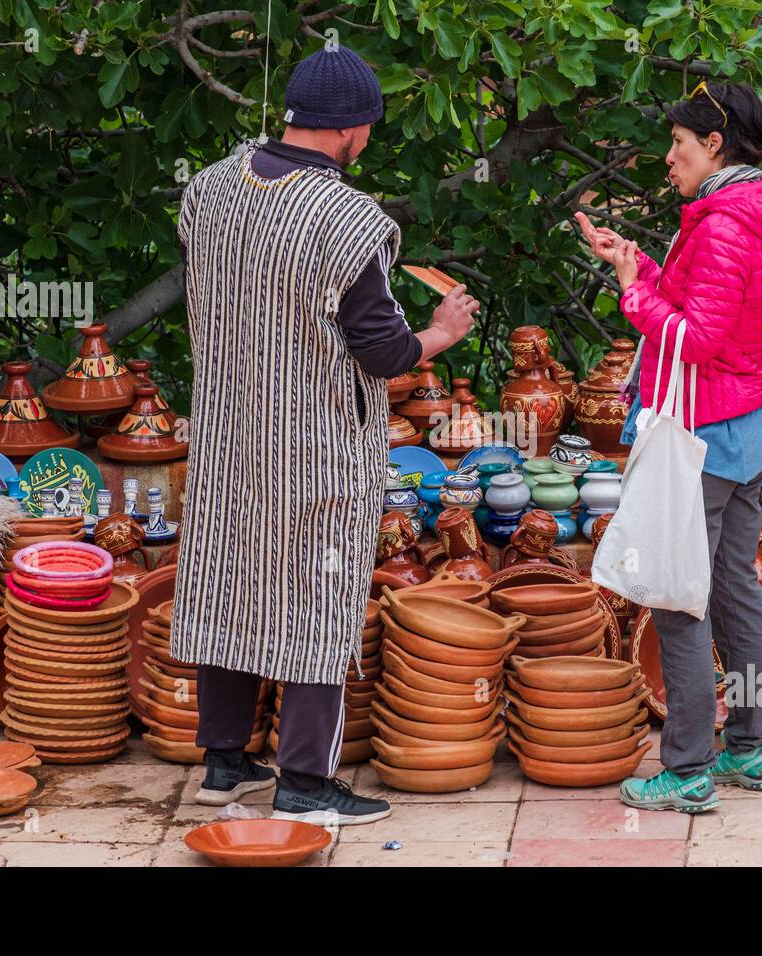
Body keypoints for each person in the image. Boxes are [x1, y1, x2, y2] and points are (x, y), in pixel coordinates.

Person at [170, 44, 479, 824]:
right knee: (317, 600)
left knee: (228, 582)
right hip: (313, 443)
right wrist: (443, 331)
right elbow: (383, 352)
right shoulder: (350, 220)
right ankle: (306, 783)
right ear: (355, 129)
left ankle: (225, 763)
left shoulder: (207, 190)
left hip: (226, 436)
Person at [576, 80, 762, 814]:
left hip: (700, 432)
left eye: (678, 145)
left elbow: (695, 338)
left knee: (679, 598)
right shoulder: (755, 213)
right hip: (744, 423)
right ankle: (750, 748)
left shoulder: (719, 226)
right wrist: (641, 264)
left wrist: (629, 294)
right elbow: (701, 310)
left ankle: (685, 768)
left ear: (714, 145)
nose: (668, 159)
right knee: (737, 587)